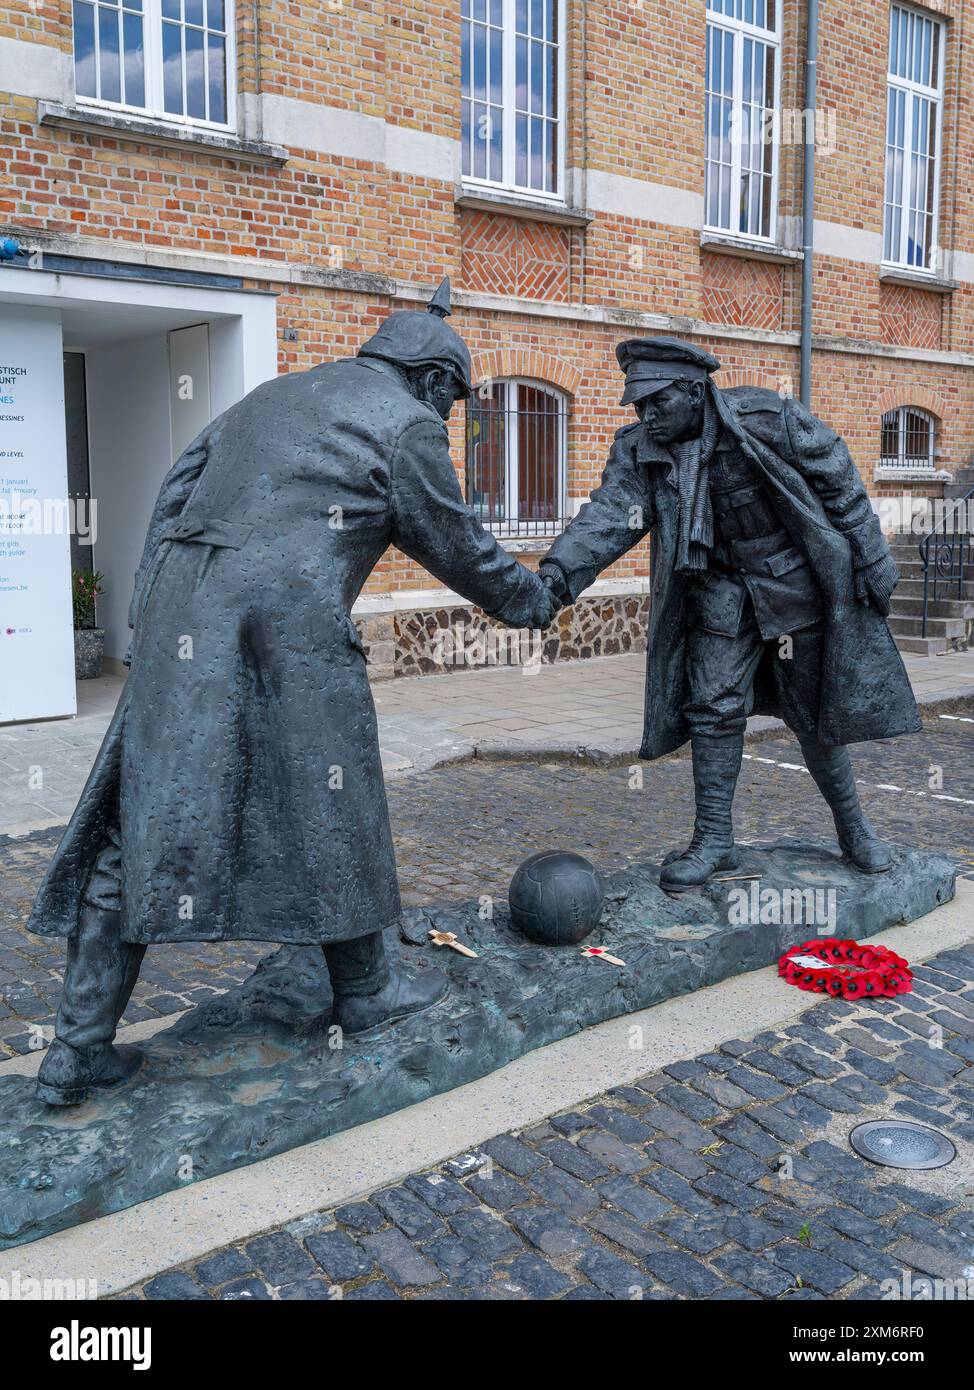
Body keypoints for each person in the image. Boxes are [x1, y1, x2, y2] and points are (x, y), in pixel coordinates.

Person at [30, 279, 557, 1106]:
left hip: (183, 614)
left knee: (143, 820)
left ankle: (74, 1048)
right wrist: (533, 601)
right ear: (428, 379)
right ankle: (368, 991)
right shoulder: (405, 422)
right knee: (334, 802)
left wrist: (151, 623)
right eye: (453, 400)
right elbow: (455, 542)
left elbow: (174, 495)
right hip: (284, 622)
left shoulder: (275, 393)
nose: (450, 418)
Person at [540, 337, 920, 892]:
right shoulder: (642, 448)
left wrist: (873, 558)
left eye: (657, 403)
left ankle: (855, 830)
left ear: (695, 393)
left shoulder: (767, 419)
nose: (647, 416)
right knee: (712, 709)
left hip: (792, 586)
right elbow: (608, 518)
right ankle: (715, 839)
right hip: (718, 592)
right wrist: (556, 577)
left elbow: (839, 478)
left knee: (816, 715)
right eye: (639, 406)